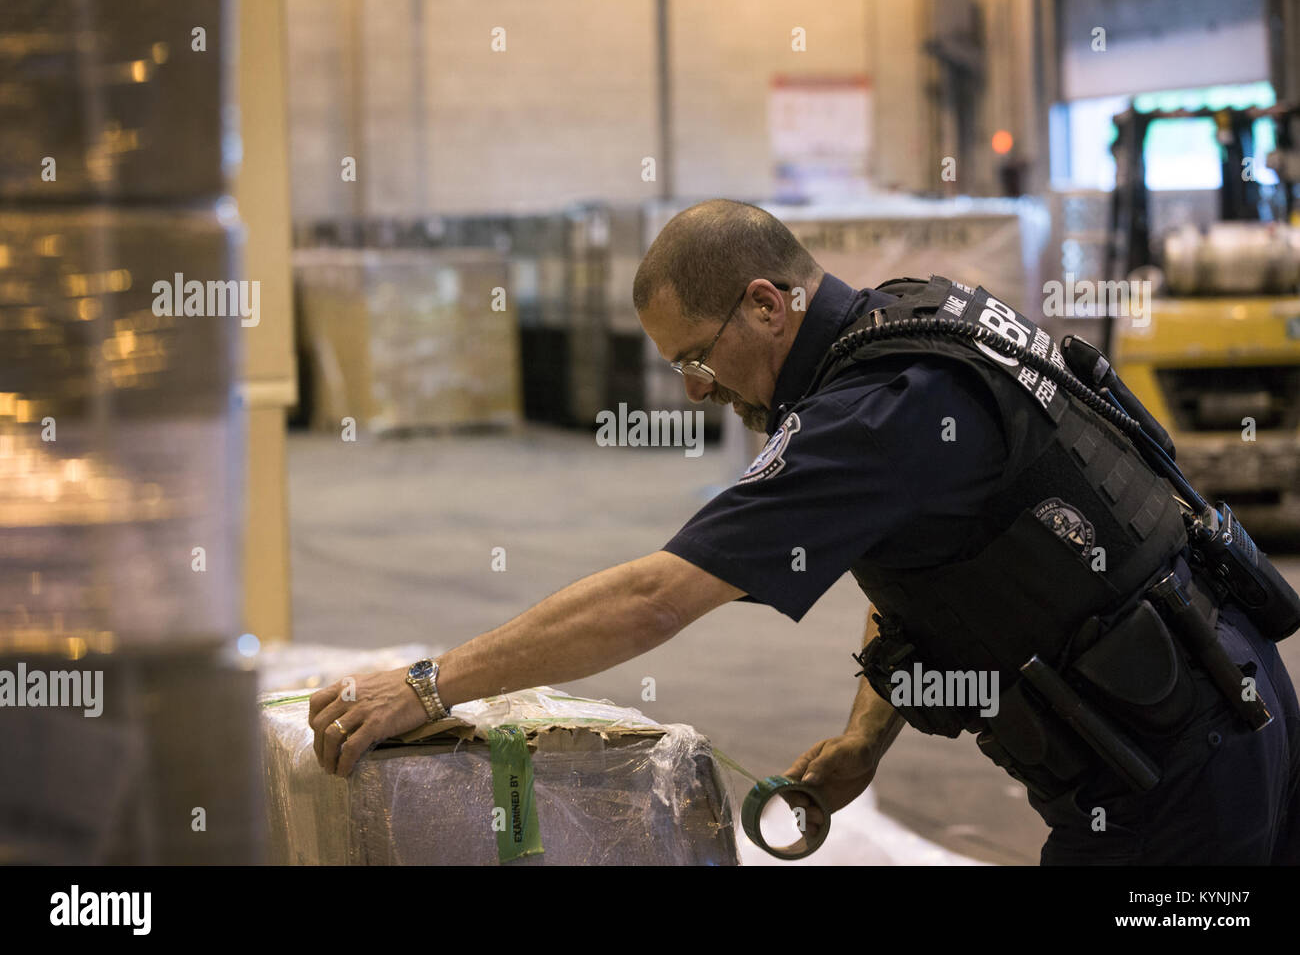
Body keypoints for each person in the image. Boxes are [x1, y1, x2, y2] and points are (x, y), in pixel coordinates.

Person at [308, 199, 1300, 864]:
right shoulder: (924, 317)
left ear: (766, 304)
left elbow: (656, 594)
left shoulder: (874, 411)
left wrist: (426, 683)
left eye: (697, 358)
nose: (697, 387)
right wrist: (865, 742)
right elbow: (931, 576)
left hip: (1176, 776)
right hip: (1230, 705)